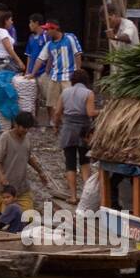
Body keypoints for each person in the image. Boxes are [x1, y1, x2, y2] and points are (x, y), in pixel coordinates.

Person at [54, 69, 97, 203]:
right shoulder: (89, 93)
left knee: (70, 163)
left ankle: (73, 196)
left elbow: (57, 112)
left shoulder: (65, 92)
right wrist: (103, 111)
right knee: (84, 162)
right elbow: (90, 113)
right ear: (86, 81)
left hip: (67, 129)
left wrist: (56, 126)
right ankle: (86, 196)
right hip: (83, 129)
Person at [0, 110, 43, 212]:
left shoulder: (27, 138)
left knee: (28, 216)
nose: (26, 130)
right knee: (4, 216)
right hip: (6, 189)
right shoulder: (6, 137)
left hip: (21, 187)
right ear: (15, 124)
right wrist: (1, 176)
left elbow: (28, 157)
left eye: (28, 128)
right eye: (23, 127)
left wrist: (40, 172)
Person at [32, 20, 82, 111]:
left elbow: (77, 54)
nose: (46, 32)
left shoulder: (70, 37)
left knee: (69, 103)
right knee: (52, 103)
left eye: (48, 30)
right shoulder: (49, 44)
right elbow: (40, 59)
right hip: (54, 76)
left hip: (68, 76)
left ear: (55, 29)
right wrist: (32, 74)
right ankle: (55, 123)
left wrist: (77, 72)